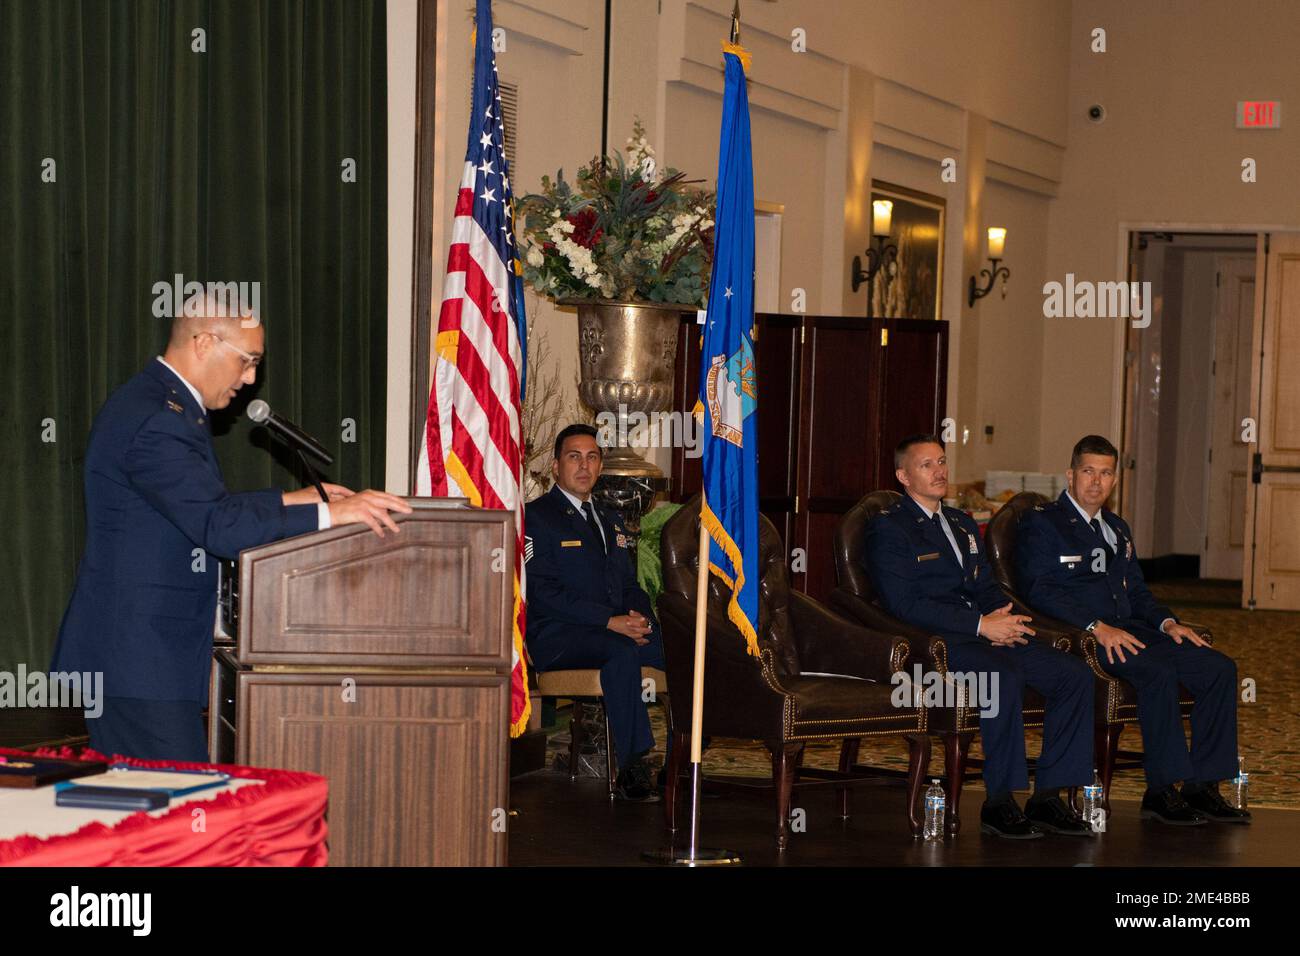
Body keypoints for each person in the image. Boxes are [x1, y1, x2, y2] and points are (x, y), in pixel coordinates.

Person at [51, 291, 411, 761]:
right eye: (247, 361)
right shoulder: (159, 418)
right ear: (203, 343)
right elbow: (217, 526)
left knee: (162, 811)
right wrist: (329, 514)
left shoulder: (162, 403)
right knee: (177, 811)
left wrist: (286, 499)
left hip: (143, 657)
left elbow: (192, 507)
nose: (251, 378)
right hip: (137, 660)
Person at [864, 434, 1094, 838]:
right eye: (926, 465)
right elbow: (903, 604)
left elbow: (986, 588)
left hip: (985, 633)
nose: (939, 471)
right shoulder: (890, 529)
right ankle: (999, 803)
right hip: (933, 643)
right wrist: (981, 627)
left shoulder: (961, 523)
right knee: (1001, 676)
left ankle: (1048, 798)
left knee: (1073, 675)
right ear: (903, 475)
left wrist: (1010, 621)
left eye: (942, 462)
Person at [1015, 434, 1249, 825]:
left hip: (1132, 629)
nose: (1096, 482)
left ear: (1115, 480)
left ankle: (1203, 785)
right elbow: (1039, 590)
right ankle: (1162, 790)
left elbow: (1137, 591)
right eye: (1088, 471)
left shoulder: (1117, 529)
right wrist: (1096, 626)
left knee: (1218, 669)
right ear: (1070, 475)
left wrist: (1167, 621)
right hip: (1085, 636)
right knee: (1157, 672)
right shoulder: (1044, 524)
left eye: (1106, 473)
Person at [524, 424, 666, 801]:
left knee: (681, 650)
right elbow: (542, 594)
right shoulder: (536, 517)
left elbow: (629, 585)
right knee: (619, 651)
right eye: (574, 457)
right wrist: (610, 622)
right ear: (555, 466)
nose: (584, 466)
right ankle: (634, 765)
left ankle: (686, 755)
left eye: (592, 457)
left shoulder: (611, 519)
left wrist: (641, 620)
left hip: (611, 629)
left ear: (600, 465)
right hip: (556, 636)